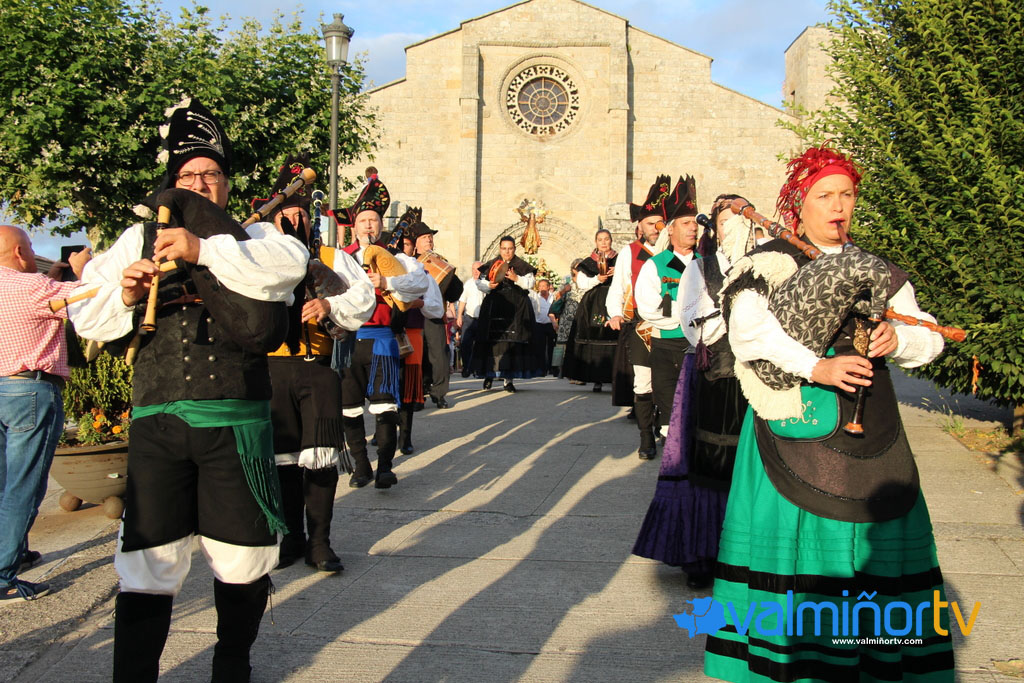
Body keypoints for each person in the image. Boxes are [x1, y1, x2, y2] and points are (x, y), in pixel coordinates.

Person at [68, 97, 309, 682]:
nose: (199, 184)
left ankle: (232, 666)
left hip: (236, 424)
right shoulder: (137, 239)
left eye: (210, 174)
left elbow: (288, 267)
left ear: (227, 183)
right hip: (159, 423)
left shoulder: (257, 236)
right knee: (147, 560)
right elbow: (88, 319)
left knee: (242, 560)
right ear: (169, 185)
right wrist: (125, 295)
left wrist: (201, 249)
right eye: (187, 176)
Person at [704, 145, 953, 680]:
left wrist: (899, 337)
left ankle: (871, 657)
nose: (837, 206)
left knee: (872, 543)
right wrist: (815, 367)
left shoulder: (876, 269)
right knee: (794, 541)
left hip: (874, 431)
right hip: (793, 425)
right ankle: (785, 662)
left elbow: (929, 336)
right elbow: (748, 334)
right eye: (825, 196)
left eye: (846, 195)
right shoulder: (768, 260)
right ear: (801, 203)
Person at [256, 155, 375, 574]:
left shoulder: (331, 255)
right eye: (287, 214)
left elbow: (365, 298)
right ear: (273, 218)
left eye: (302, 214)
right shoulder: (258, 255)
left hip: (318, 366)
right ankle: (291, 538)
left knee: (321, 458)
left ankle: (320, 542)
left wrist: (328, 302)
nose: (295, 221)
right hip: (272, 368)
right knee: (283, 460)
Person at [632, 193, 756, 589]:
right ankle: (701, 551)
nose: (733, 230)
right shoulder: (699, 268)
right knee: (707, 464)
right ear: (714, 230)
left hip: (754, 377)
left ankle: (748, 552)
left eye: (741, 222)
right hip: (712, 374)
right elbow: (693, 323)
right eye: (724, 223)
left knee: (750, 466)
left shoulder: (766, 266)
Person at [0, 229, 90, 603]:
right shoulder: (32, 287)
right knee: (25, 484)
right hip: (30, 389)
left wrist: (52, 278)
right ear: (20, 252)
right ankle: (4, 574)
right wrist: (84, 271)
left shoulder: (30, 287)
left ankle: (14, 551)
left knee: (4, 480)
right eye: (32, 247)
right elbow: (86, 301)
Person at [338, 181, 430, 489]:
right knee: (348, 408)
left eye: (374, 221)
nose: (368, 225)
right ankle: (361, 466)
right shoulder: (340, 258)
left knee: (385, 406)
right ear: (354, 226)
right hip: (349, 340)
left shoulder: (398, 260)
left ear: (380, 225)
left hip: (382, 339)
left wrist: (387, 282)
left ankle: (386, 468)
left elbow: (421, 286)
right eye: (363, 221)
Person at [606, 175, 668, 458]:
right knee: (643, 382)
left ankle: (666, 428)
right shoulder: (629, 253)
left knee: (669, 381)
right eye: (650, 222)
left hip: (672, 328)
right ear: (639, 227)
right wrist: (616, 313)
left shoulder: (677, 252)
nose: (656, 228)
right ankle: (646, 438)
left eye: (660, 222)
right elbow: (617, 287)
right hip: (641, 327)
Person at [635, 176, 698, 447]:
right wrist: (685, 318)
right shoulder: (656, 265)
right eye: (686, 223)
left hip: (700, 345)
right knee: (670, 412)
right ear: (670, 230)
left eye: (695, 223)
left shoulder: (706, 263)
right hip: (668, 344)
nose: (693, 228)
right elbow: (648, 306)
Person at [471, 236, 537, 392]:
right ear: (500, 249)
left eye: (510, 248)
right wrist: (489, 285)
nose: (507, 252)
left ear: (514, 249)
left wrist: (516, 278)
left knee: (511, 342)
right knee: (492, 342)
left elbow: (530, 283)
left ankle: (509, 380)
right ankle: (489, 375)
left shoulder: (522, 265)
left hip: (516, 307)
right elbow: (479, 283)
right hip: (494, 306)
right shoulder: (491, 264)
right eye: (504, 248)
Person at [412, 220, 462, 409]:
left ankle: (439, 393)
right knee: (418, 354)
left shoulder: (439, 261)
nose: (429, 240)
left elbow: (455, 291)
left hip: (433, 313)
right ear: (415, 242)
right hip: (414, 313)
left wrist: (449, 277)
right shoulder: (408, 262)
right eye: (424, 238)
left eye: (430, 238)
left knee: (438, 354)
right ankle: (419, 391)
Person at [562, 229, 619, 391]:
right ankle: (596, 378)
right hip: (593, 301)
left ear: (611, 241)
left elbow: (629, 277)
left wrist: (620, 272)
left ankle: (614, 376)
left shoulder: (619, 259)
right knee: (594, 336)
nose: (603, 242)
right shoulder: (588, 262)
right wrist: (597, 279)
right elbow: (582, 283)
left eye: (606, 239)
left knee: (614, 336)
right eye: (600, 239)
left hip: (613, 299)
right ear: (596, 242)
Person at [456, 261, 484, 375]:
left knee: (480, 345)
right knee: (465, 344)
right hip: (469, 318)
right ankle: (467, 367)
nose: (476, 271)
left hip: (482, 319)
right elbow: (463, 300)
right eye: (474, 269)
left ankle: (478, 368)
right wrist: (459, 316)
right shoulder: (468, 284)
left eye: (478, 269)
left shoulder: (486, 283)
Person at [529, 278, 558, 377]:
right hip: (539, 325)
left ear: (549, 287)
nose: (542, 288)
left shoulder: (553, 297)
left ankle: (552, 368)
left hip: (551, 325)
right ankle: (541, 369)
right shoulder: (535, 298)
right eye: (540, 286)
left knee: (552, 347)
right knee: (540, 348)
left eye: (544, 286)